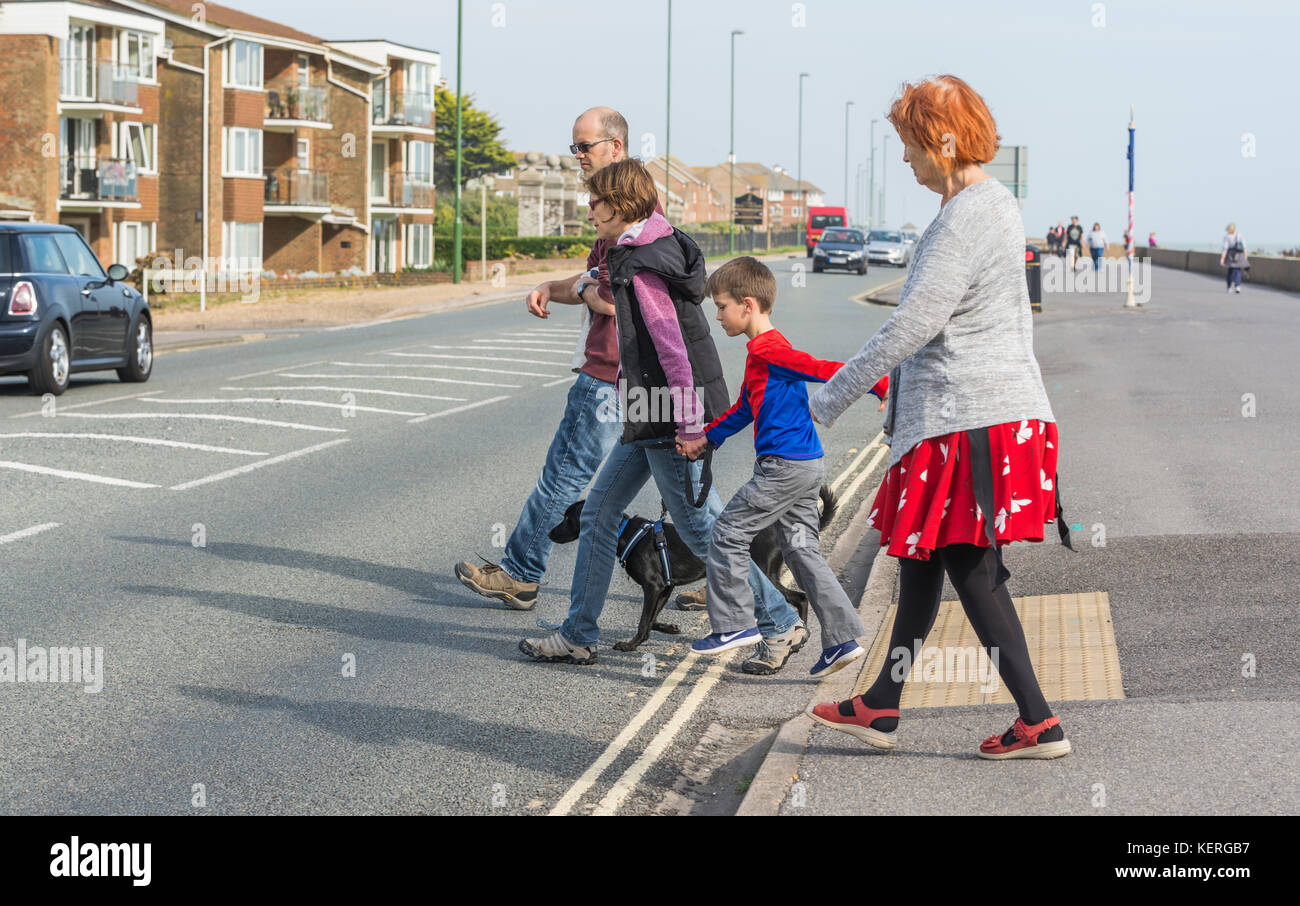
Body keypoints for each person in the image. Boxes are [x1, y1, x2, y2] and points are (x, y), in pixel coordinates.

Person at [805, 75, 1075, 760]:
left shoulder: (970, 214)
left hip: (970, 420)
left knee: (970, 568)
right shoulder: (979, 208)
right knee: (919, 557)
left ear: (942, 140)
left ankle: (1039, 722)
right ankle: (882, 703)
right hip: (964, 419)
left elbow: (913, 324)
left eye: (909, 145)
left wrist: (828, 398)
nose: (905, 160)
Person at [519, 160, 806, 668]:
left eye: (596, 203)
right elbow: (606, 288)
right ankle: (578, 633)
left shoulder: (645, 262)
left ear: (622, 204)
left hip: (670, 410)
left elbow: (671, 349)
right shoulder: (648, 245)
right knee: (599, 511)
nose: (589, 211)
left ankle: (779, 623)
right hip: (650, 405)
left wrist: (690, 424)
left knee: (701, 529)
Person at [454, 107, 633, 609]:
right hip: (632, 377)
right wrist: (552, 287)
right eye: (574, 147)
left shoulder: (627, 212)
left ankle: (521, 573)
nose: (576, 156)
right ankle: (736, 582)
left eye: (585, 146)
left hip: (611, 374)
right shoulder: (615, 209)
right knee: (684, 496)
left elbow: (617, 297)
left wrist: (588, 289)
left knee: (563, 478)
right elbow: (592, 283)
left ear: (615, 148)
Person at [679, 257, 888, 675]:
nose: (717, 315)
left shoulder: (771, 350)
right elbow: (744, 408)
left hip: (783, 468)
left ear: (748, 304)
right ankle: (843, 639)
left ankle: (735, 625)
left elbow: (824, 369)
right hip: (803, 466)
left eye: (721, 306)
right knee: (800, 548)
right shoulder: (761, 354)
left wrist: (878, 383)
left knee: (727, 531)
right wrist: (707, 439)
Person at [1220, 223, 1248, 293]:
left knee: (1230, 271)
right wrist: (1245, 257)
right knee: (1238, 270)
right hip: (1239, 254)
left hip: (1230, 254)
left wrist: (1222, 258)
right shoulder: (1239, 235)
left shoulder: (1227, 236)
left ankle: (1229, 287)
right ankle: (1237, 286)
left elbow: (1225, 248)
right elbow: (1244, 247)